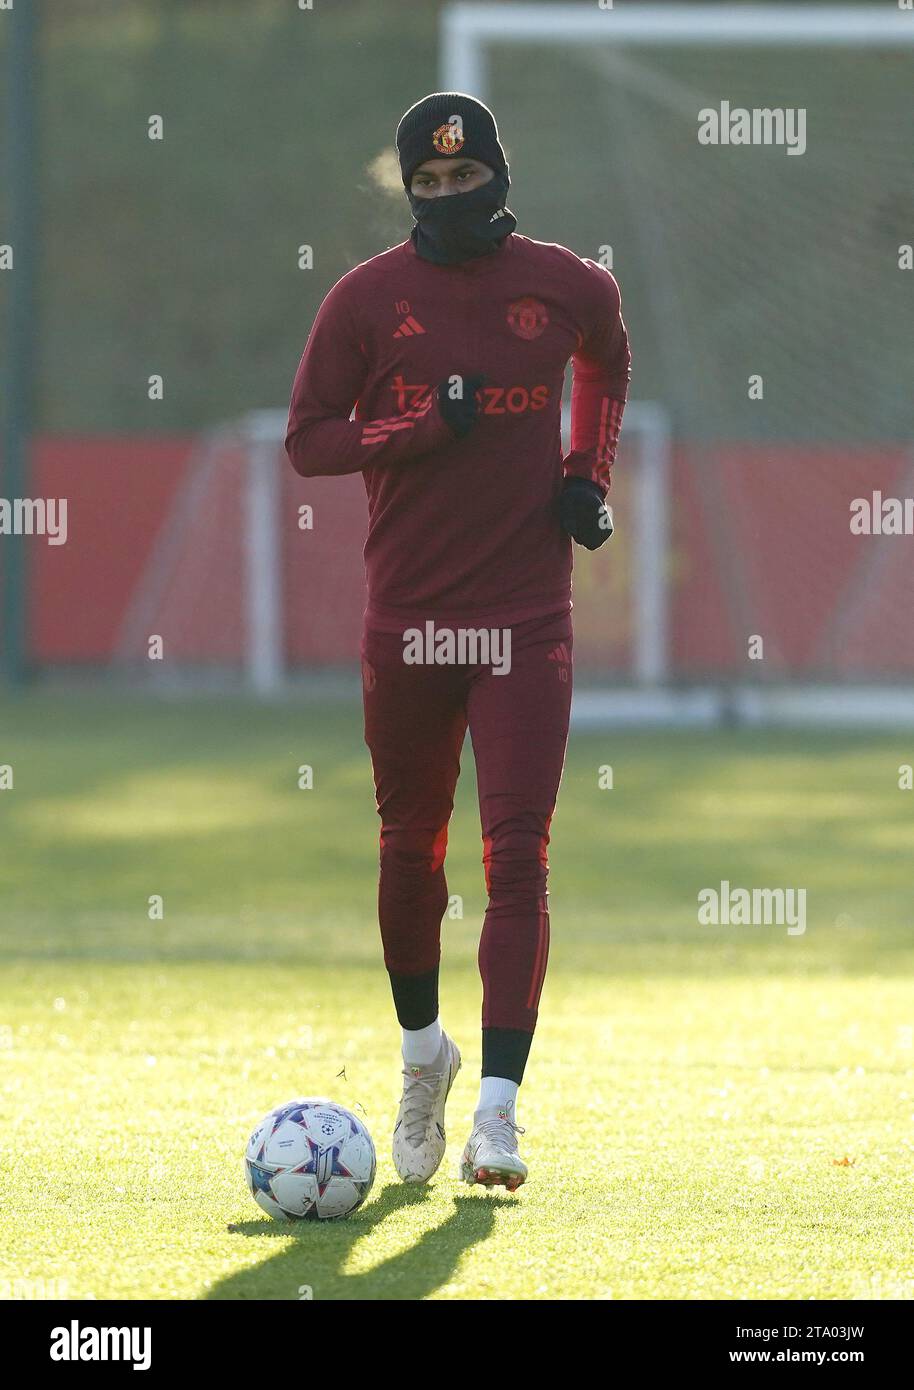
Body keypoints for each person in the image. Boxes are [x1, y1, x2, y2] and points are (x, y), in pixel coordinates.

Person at [285, 92, 630, 1190]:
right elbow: (307, 441)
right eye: (426, 185)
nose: (448, 196)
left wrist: (584, 477)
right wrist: (425, 426)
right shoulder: (364, 299)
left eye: (464, 178)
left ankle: (497, 1113)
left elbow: (606, 362)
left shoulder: (570, 285)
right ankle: (421, 1056)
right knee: (409, 851)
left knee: (517, 853)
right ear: (407, 191)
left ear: (497, 174)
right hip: (409, 623)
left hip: (525, 621)